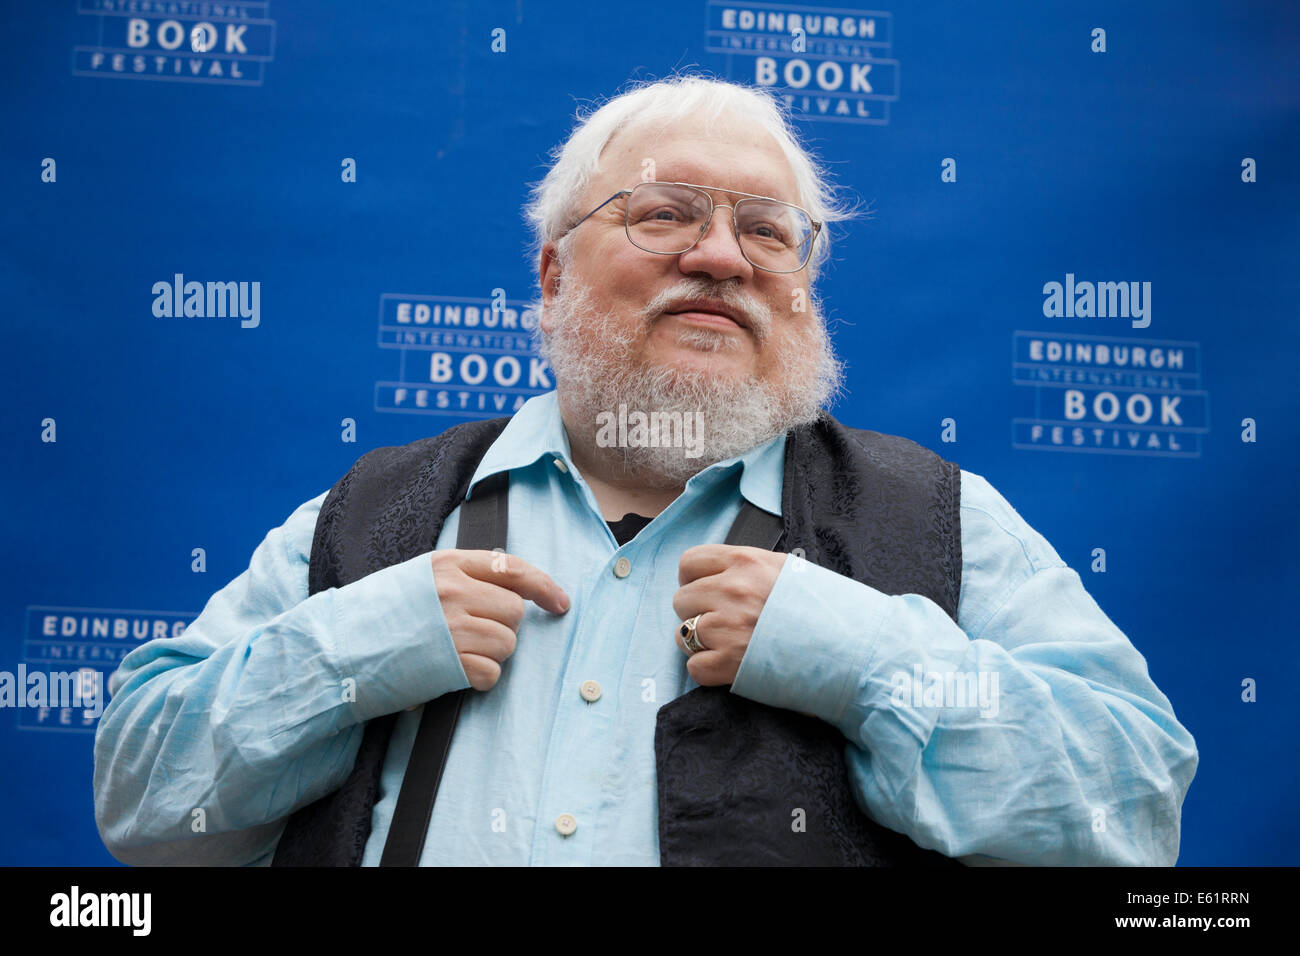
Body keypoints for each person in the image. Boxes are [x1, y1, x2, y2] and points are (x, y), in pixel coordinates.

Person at [93, 73, 1198, 867]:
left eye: (766, 231)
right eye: (663, 212)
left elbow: (1132, 804)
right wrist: (355, 646)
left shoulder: (936, 519)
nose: (719, 254)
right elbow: (142, 802)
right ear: (551, 271)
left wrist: (864, 656)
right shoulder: (377, 515)